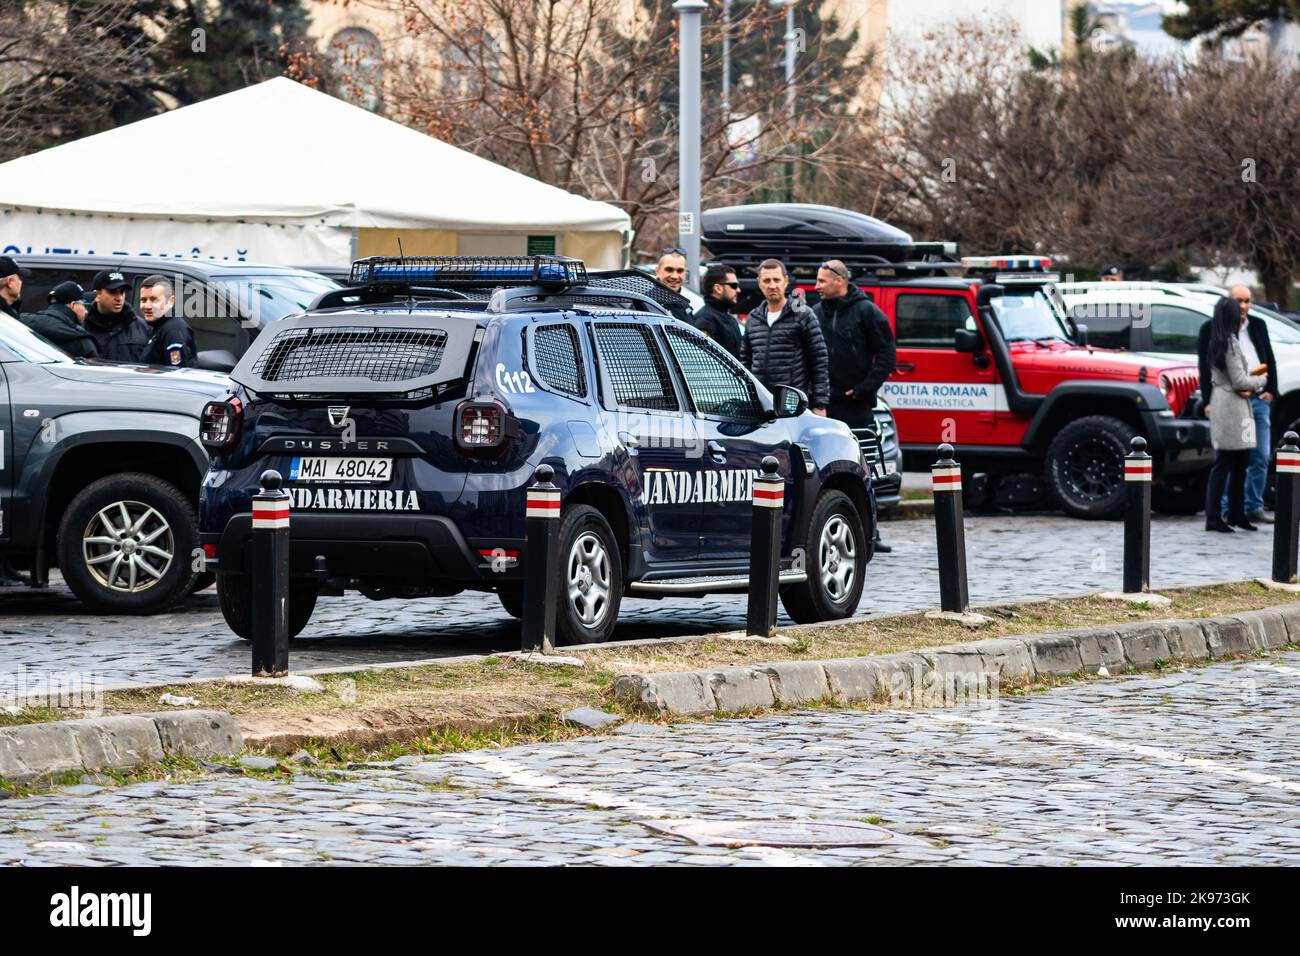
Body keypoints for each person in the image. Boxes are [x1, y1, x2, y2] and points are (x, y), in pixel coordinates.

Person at [812, 258, 897, 552]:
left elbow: (887, 355)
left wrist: (862, 390)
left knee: (863, 465)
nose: (816, 286)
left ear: (840, 280)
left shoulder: (867, 312)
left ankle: (872, 531)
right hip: (823, 404)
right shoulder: (815, 313)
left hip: (856, 405)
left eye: (822, 281)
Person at [1199, 284, 1276, 525]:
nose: (1243, 306)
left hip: (1253, 400)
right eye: (1238, 302)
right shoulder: (1220, 336)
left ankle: (1245, 509)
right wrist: (1259, 380)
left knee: (1255, 456)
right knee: (1229, 459)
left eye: (1247, 301)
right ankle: (1223, 512)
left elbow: (1268, 360)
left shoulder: (1256, 327)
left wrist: (1270, 388)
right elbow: (1218, 372)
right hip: (1233, 401)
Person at [741, 258, 828, 416]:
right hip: (761, 404)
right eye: (767, 280)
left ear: (785, 281)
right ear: (759, 282)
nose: (772, 285)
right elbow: (745, 361)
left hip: (793, 403)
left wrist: (820, 404)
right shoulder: (753, 318)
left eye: (776, 279)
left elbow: (819, 359)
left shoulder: (803, 314)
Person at [83, 270, 151, 362]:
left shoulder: (141, 326)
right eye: (113, 292)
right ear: (97, 295)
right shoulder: (82, 326)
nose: (119, 298)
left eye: (122, 292)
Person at [21, 281, 98, 358]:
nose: (86, 311)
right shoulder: (81, 341)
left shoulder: (22, 323)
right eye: (84, 305)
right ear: (73, 305)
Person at [138, 275, 196, 367]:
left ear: (171, 301)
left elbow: (177, 375)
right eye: (143, 300)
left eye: (154, 300)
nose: (147, 306)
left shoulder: (173, 331)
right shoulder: (158, 326)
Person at [692, 263, 743, 359]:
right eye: (734, 286)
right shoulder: (705, 320)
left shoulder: (729, 318)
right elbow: (701, 360)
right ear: (718, 288)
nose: (738, 290)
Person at [654, 247, 694, 324]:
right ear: (657, 271)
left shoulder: (684, 304)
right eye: (669, 270)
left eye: (680, 271)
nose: (675, 276)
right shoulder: (646, 303)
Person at [0, 255, 32, 321]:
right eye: (20, 277)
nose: (21, 282)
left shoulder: (6, 312)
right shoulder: (4, 317)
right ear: (10, 282)